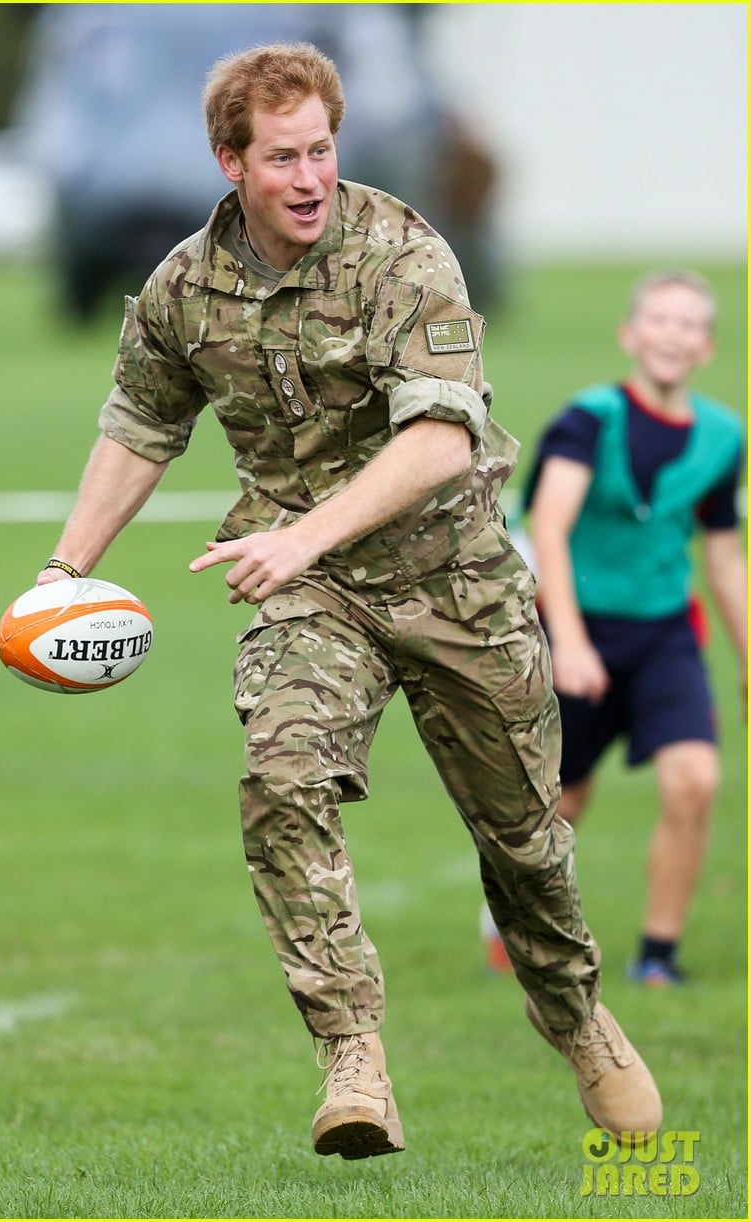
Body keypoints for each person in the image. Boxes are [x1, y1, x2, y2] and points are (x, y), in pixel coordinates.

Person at [36, 42, 661, 1158]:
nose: (310, 176)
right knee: (280, 778)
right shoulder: (185, 286)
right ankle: (351, 1054)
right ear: (230, 161)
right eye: (282, 157)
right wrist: (63, 572)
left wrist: (302, 533)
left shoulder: (404, 251)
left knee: (523, 842)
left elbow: (436, 437)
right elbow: (139, 425)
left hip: (455, 582)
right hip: (312, 593)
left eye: (322, 149)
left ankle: (572, 1013)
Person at [526, 271, 746, 988]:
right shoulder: (587, 419)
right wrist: (570, 642)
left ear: (706, 346)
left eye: (688, 324)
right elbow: (548, 528)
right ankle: (510, 918)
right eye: (658, 319)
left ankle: (656, 955)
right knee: (562, 802)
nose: (672, 334)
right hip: (576, 625)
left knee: (694, 780)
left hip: (663, 636)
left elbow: (722, 559)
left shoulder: (721, 436)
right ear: (630, 334)